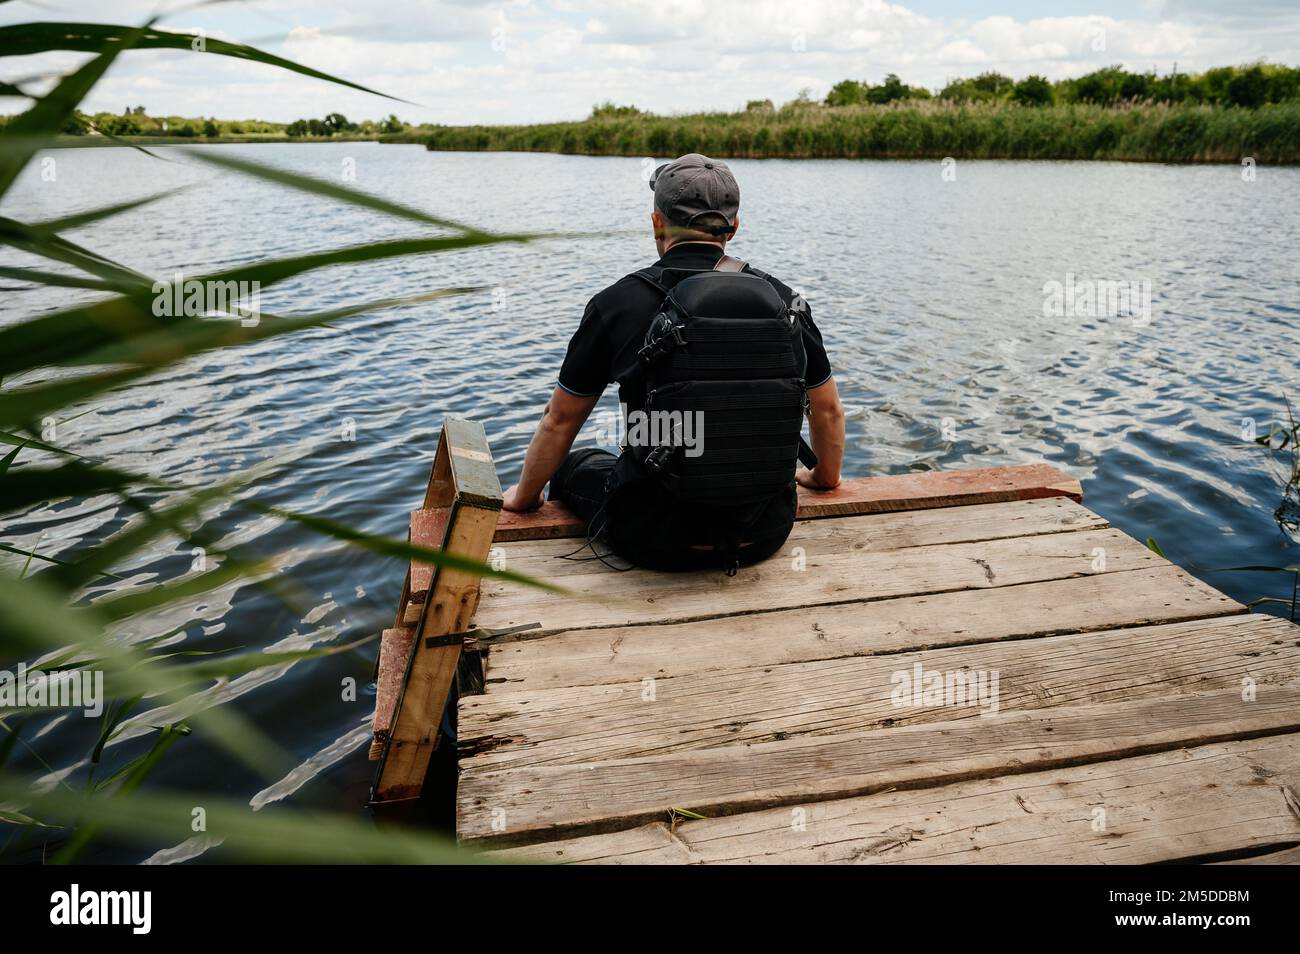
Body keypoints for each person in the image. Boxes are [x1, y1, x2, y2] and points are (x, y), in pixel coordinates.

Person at [502, 153, 845, 572]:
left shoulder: (616, 303)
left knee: (579, 463)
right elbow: (826, 409)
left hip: (653, 539)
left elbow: (560, 420)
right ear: (734, 228)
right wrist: (824, 478)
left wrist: (523, 498)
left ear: (657, 222)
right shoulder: (785, 300)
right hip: (764, 534)